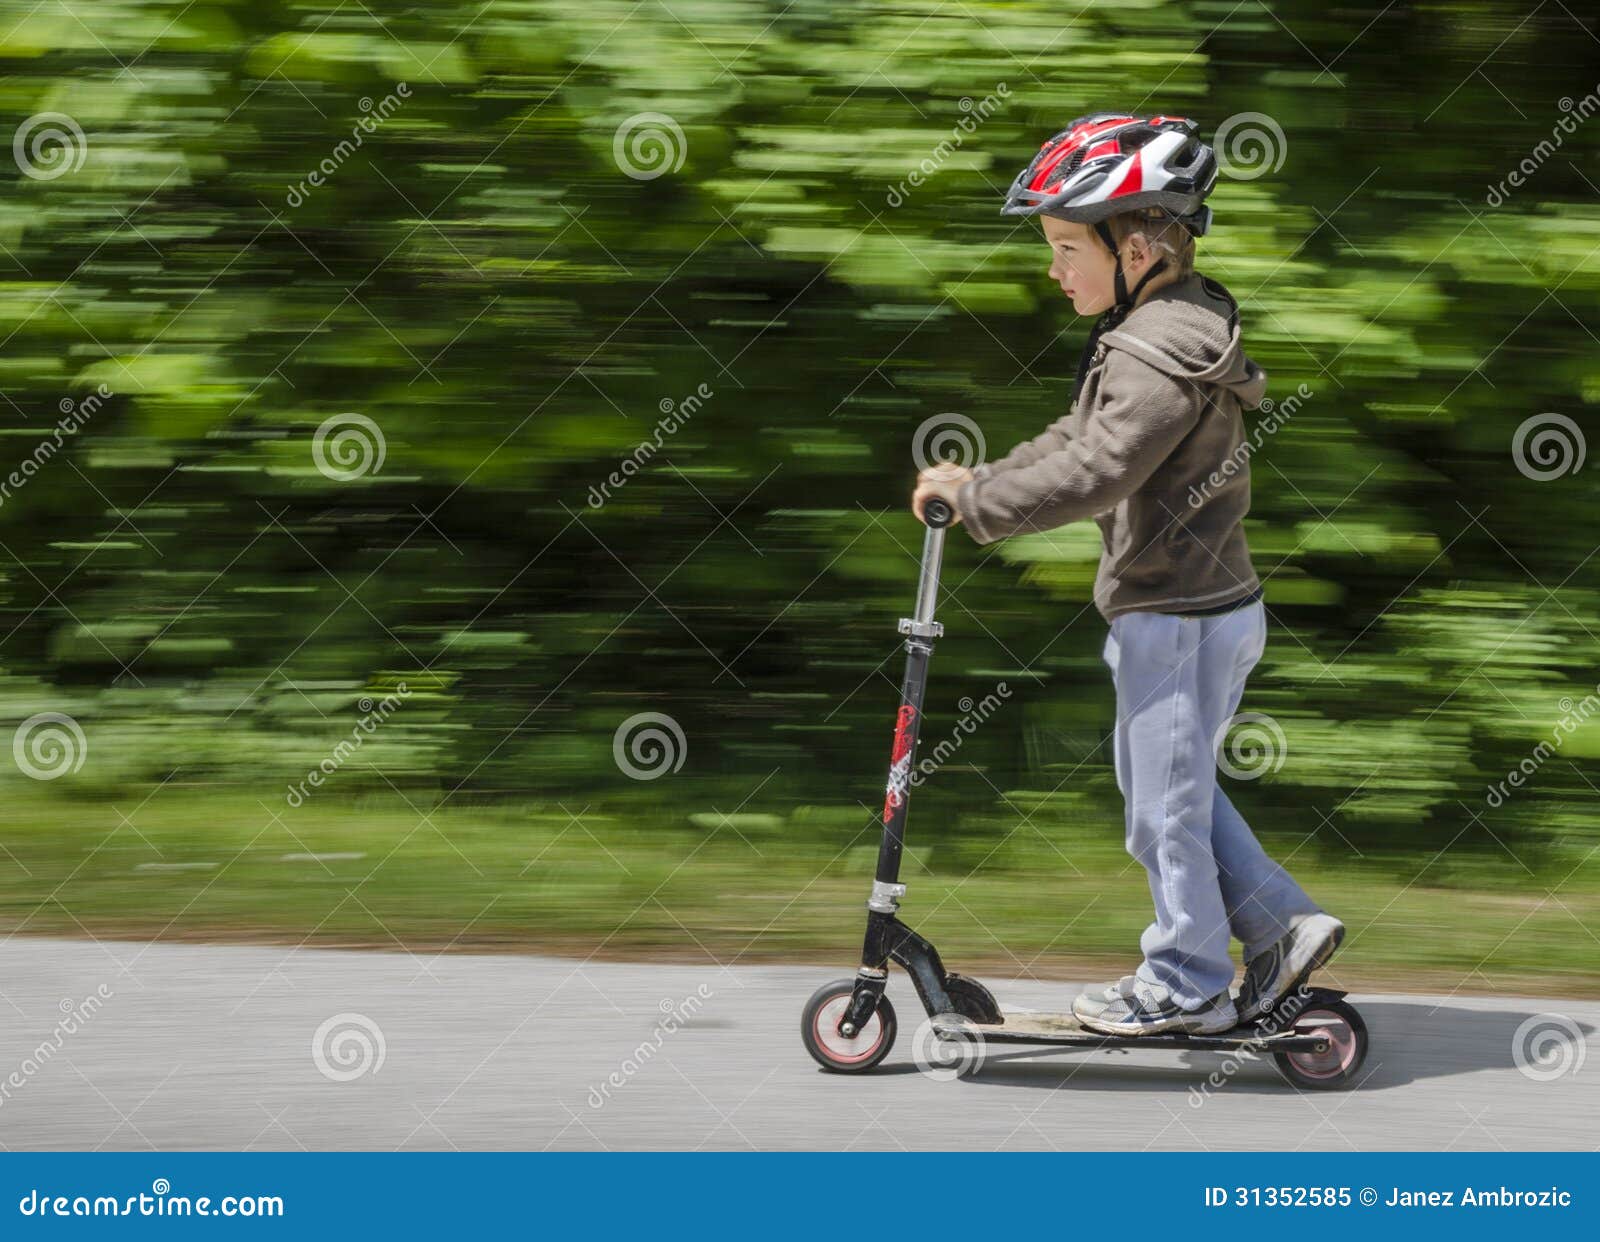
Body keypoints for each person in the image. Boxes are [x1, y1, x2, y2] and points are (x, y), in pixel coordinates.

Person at [911, 114, 1344, 1036]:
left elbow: (1096, 471)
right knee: (1172, 795)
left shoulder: (1155, 355)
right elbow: (1076, 442)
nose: (1055, 268)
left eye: (1068, 246)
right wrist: (981, 482)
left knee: (1161, 810)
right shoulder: (1159, 326)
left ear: (1137, 244)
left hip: (1180, 613)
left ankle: (1184, 978)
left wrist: (978, 508)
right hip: (1191, 607)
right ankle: (1281, 927)